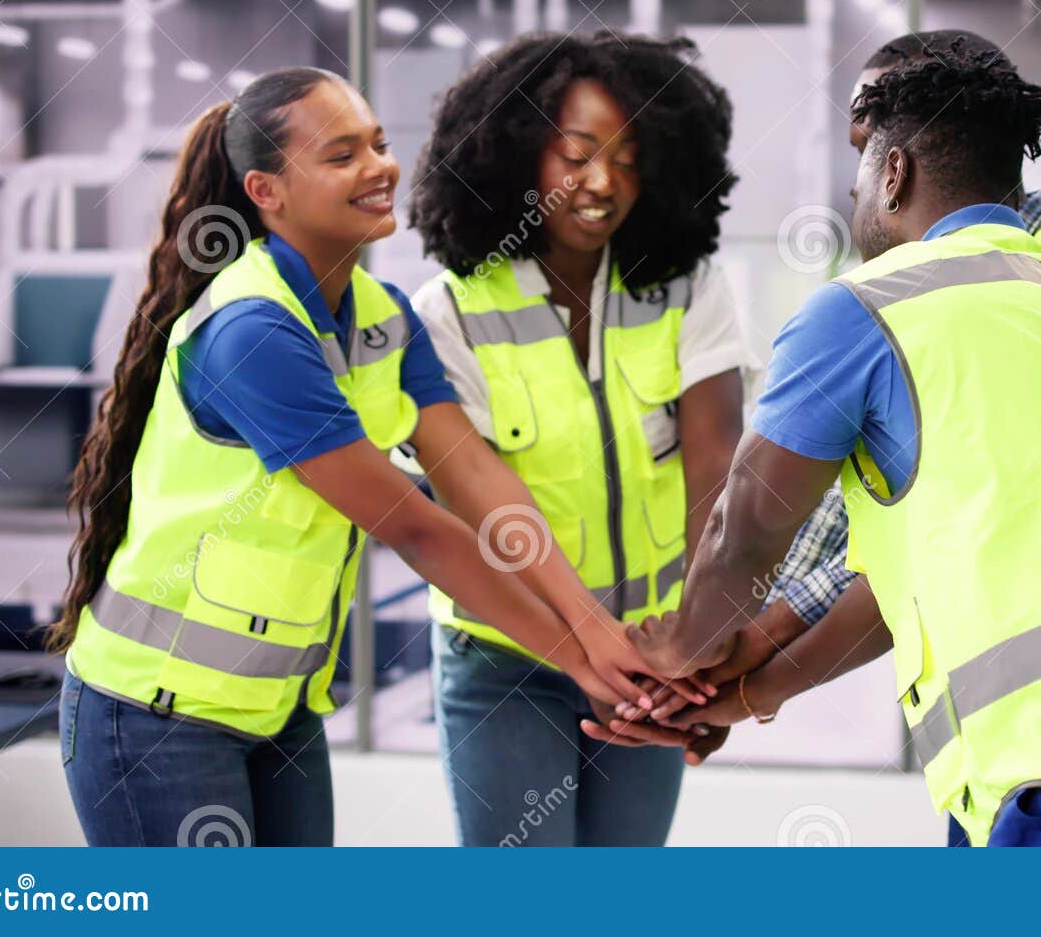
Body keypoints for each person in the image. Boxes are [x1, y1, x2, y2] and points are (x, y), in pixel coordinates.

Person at [612, 35, 1041, 847]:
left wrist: (680, 647)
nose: (853, 189)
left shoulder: (870, 307)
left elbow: (746, 528)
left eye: (863, 161)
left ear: (895, 173)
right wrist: (746, 691)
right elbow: (915, 574)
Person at [50, 67, 669, 847]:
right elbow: (417, 528)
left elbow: (475, 473)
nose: (379, 168)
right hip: (154, 715)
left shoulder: (383, 316)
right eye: (342, 156)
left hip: (279, 708)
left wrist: (594, 626)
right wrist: (584, 660)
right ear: (266, 191)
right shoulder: (252, 332)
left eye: (377, 144)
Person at [407, 32, 746, 846]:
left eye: (628, 159)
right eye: (577, 155)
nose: (603, 182)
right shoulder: (451, 312)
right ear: (517, 156)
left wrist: (703, 640)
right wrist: (587, 646)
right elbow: (484, 502)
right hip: (505, 660)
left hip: (657, 654)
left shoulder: (686, 289)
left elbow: (715, 463)